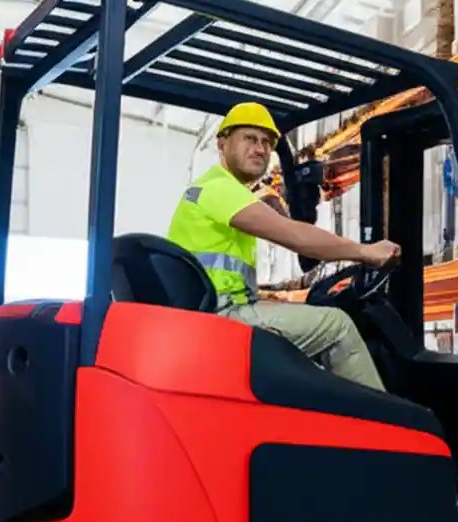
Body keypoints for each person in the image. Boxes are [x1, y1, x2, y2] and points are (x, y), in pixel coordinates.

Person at [165, 102, 400, 392]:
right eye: (250, 139)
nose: (260, 149)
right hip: (221, 319)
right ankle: (379, 419)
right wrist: (366, 252)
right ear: (222, 144)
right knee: (337, 327)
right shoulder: (219, 188)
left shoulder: (219, 191)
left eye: (266, 143)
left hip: (215, 316)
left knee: (308, 333)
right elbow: (295, 236)